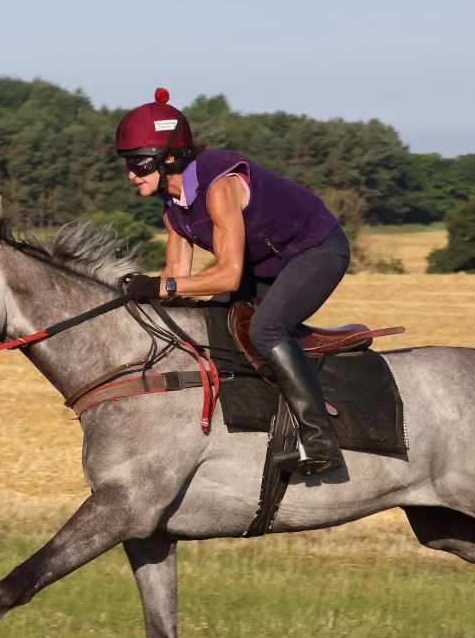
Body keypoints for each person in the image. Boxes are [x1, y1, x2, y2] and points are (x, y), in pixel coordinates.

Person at [114, 88, 350, 476]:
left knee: (267, 328)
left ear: (170, 158)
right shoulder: (173, 208)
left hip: (318, 250)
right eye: (128, 163)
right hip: (270, 263)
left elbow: (228, 274)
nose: (130, 174)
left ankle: (320, 439)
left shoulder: (220, 188)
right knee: (217, 322)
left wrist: (160, 287)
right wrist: (141, 299)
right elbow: (176, 279)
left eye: (138, 164)